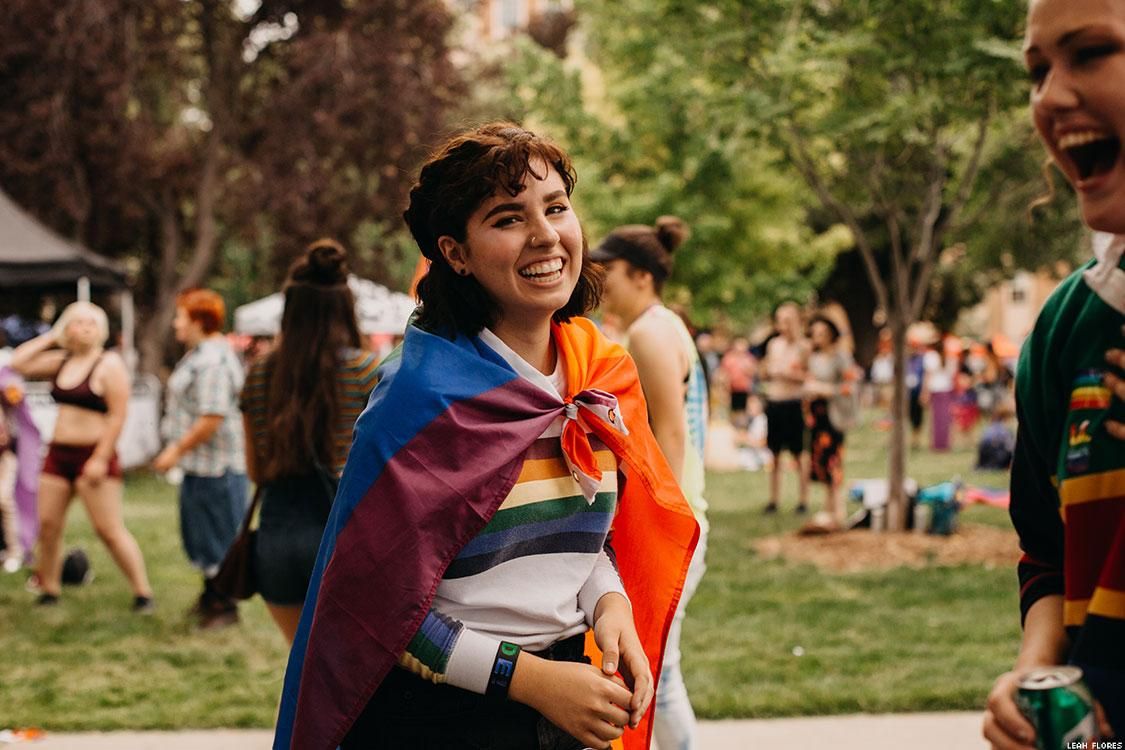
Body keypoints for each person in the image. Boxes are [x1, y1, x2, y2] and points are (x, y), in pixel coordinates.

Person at [274, 122, 699, 750]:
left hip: (561, 704)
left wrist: (611, 605)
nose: (546, 234)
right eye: (508, 218)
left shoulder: (596, 373)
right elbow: (383, 610)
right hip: (443, 720)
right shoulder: (416, 403)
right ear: (455, 253)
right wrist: (532, 681)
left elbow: (578, 539)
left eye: (555, 207)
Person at [983, 0, 1125, 745]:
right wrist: (1034, 677)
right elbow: (1048, 556)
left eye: (1091, 53)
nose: (1049, 98)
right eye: (1037, 71)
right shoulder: (1067, 324)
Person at [593, 216, 709, 750]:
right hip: (686, 514)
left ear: (641, 275)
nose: (600, 278)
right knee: (661, 673)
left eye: (609, 269)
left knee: (657, 679)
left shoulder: (649, 332)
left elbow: (669, 437)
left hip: (671, 520)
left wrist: (654, 526)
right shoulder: (665, 325)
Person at [239, 239, 380, 643]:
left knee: (302, 670)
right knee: (351, 672)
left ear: (290, 312)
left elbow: (255, 469)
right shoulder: (368, 371)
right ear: (345, 308)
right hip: (347, 535)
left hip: (278, 534)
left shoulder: (260, 374)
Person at [10, 302, 153, 610]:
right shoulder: (62, 360)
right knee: (48, 525)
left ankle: (143, 592)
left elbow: (118, 415)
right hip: (58, 455)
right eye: (77, 322)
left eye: (91, 322)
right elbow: (18, 363)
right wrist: (52, 337)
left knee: (108, 529)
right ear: (67, 327)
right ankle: (49, 587)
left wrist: (100, 458)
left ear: (100, 329)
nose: (85, 327)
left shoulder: (109, 364)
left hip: (93, 454)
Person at [154, 289, 248, 630]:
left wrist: (175, 450)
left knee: (218, 535)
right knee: (202, 534)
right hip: (201, 466)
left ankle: (225, 606)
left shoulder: (213, 362)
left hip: (216, 466)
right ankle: (211, 595)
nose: (176, 324)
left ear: (197, 320)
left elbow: (212, 416)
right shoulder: (199, 355)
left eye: (180, 317)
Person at [802, 315, 855, 530]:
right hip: (818, 418)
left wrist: (825, 390)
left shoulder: (841, 358)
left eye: (822, 333)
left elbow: (849, 387)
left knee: (834, 462)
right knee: (821, 463)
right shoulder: (813, 358)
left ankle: (838, 511)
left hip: (834, 416)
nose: (818, 337)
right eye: (815, 333)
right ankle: (828, 509)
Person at [762, 302, 810, 514]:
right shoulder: (774, 344)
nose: (783, 325)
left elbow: (809, 377)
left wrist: (789, 375)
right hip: (775, 401)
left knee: (799, 454)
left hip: (793, 402)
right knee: (774, 454)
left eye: (787, 321)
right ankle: (774, 499)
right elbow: (765, 370)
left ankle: (802, 499)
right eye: (780, 320)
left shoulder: (804, 346)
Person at [921, 335, 957, 452]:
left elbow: (928, 376)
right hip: (946, 390)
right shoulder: (950, 358)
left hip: (935, 390)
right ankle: (945, 444)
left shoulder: (931, 357)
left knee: (936, 418)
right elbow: (952, 375)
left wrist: (924, 392)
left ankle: (937, 444)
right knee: (945, 418)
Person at [720, 337, 756, 428]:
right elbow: (724, 374)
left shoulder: (749, 359)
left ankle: (741, 428)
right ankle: (733, 427)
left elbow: (753, 372)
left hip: (744, 389)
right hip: (731, 388)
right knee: (732, 409)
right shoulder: (729, 358)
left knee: (743, 410)